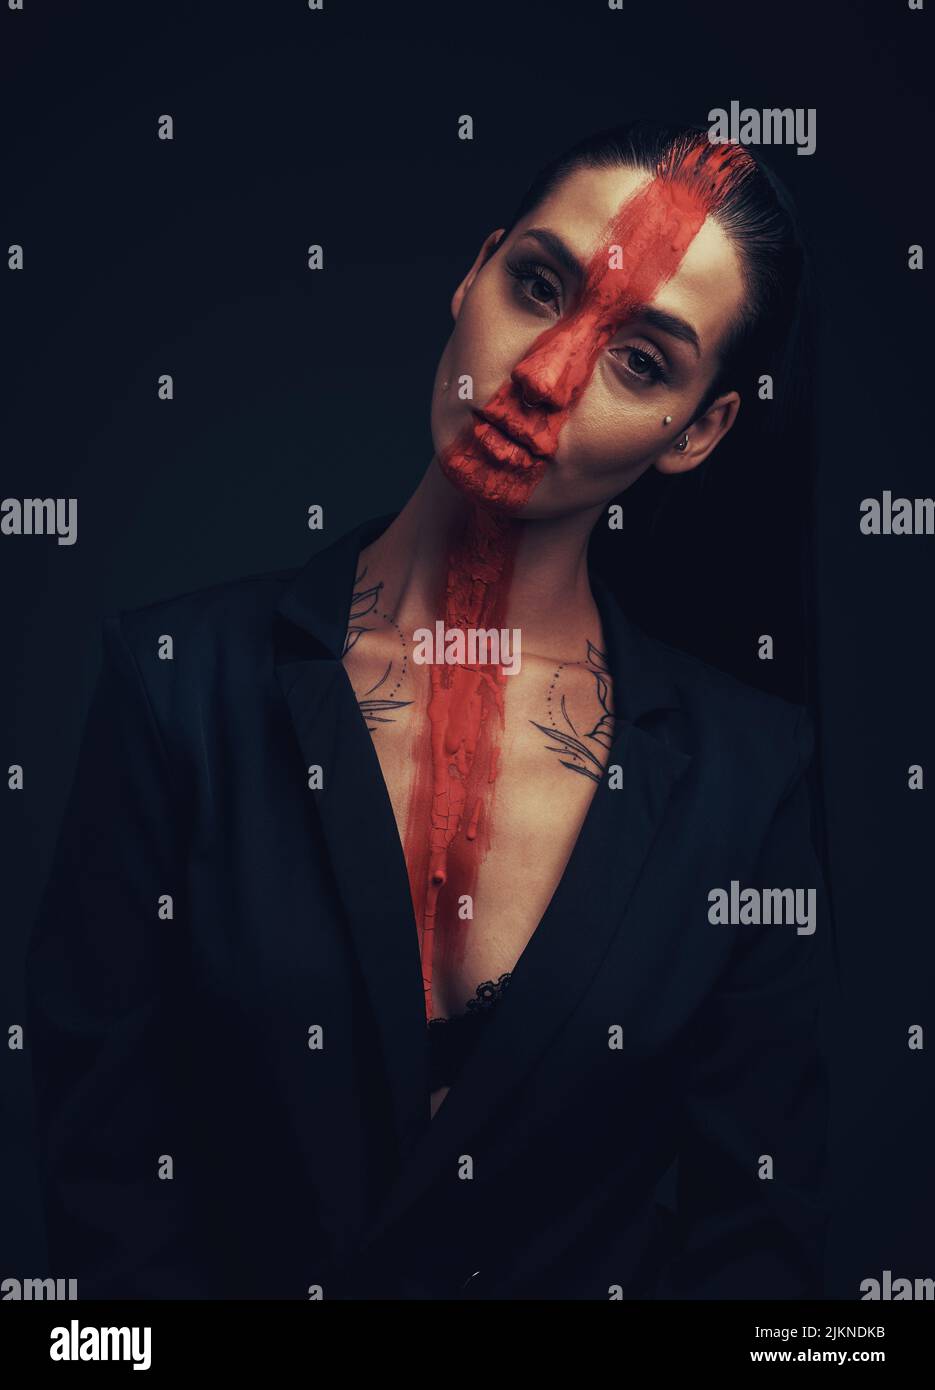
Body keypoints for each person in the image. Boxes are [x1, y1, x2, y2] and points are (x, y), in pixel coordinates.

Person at [26, 118, 833, 1300]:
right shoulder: (174, 686)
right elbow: (106, 1211)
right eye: (540, 285)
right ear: (474, 272)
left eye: (641, 362)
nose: (544, 375)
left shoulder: (744, 780)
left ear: (698, 431)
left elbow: (757, 1260)